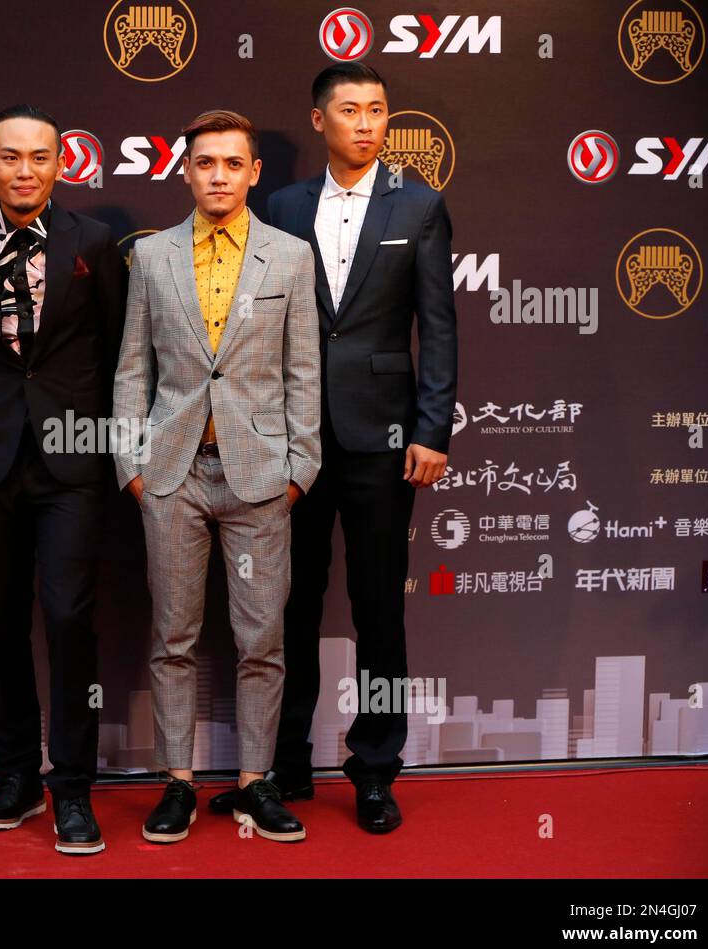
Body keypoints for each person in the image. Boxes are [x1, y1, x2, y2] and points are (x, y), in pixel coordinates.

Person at [211, 62, 457, 833]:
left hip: (384, 441)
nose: (365, 123)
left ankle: (376, 765)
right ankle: (283, 766)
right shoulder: (279, 204)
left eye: (377, 111)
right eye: (349, 110)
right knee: (284, 606)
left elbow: (438, 327)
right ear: (318, 121)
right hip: (290, 438)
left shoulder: (420, 205)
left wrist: (430, 429)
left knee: (381, 609)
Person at [112, 109, 321, 844]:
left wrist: (299, 470)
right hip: (171, 476)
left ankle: (255, 782)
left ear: (254, 172)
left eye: (234, 164)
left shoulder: (291, 255)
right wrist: (131, 466)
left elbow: (304, 373)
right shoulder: (153, 255)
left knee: (261, 638)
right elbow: (133, 367)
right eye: (206, 163)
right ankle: (176, 783)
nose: (220, 176)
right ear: (187, 170)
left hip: (261, 477)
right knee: (173, 635)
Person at [0, 105, 125, 854]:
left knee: (69, 617)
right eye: (8, 157)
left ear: (59, 165)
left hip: (75, 460)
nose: (23, 169)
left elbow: (117, 358)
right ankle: (15, 778)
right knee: (0, 620)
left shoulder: (96, 245)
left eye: (38, 157)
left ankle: (73, 787)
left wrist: (118, 451)